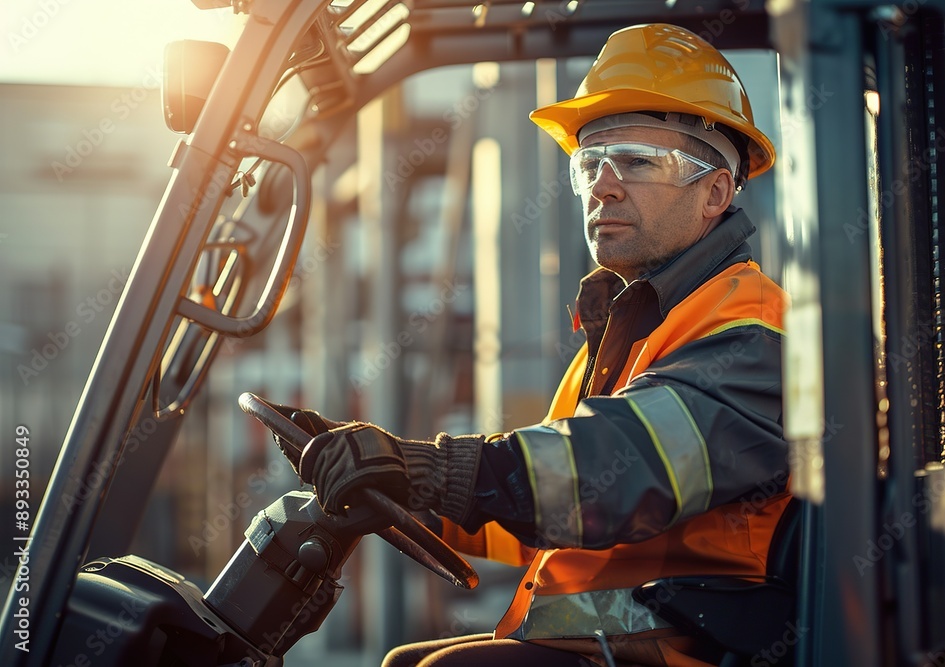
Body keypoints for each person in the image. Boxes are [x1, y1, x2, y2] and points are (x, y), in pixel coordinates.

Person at [277, 23, 790, 667]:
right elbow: (541, 512)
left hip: (685, 647)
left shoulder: (750, 327)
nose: (603, 186)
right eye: (590, 164)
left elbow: (618, 472)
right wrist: (404, 483)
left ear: (715, 191)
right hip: (621, 642)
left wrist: (437, 469)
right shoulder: (631, 326)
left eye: (635, 161)